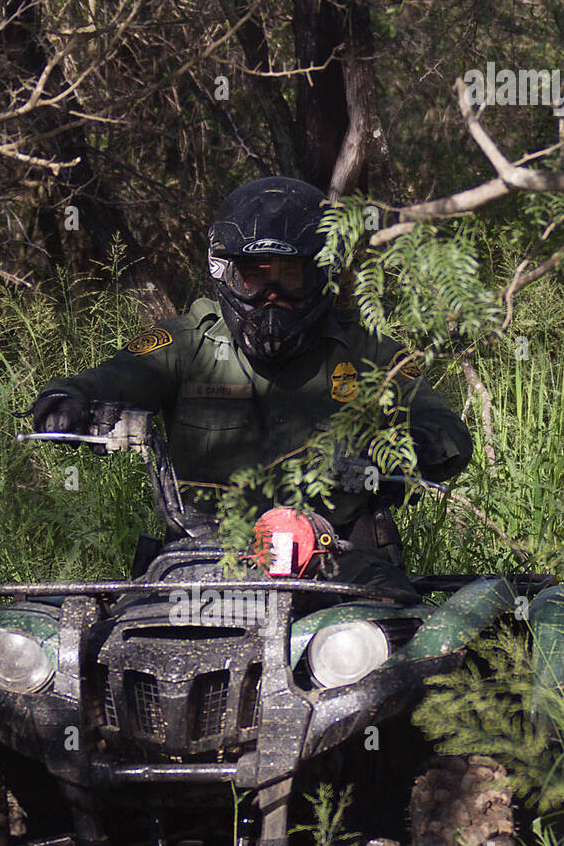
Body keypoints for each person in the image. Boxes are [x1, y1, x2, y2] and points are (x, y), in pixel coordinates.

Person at [28, 176, 472, 598]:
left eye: (290, 275)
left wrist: (399, 453)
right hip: (201, 560)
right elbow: (114, 377)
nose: (271, 295)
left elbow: (445, 430)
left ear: (321, 274)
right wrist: (70, 402)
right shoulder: (187, 344)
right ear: (226, 274)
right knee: (124, 643)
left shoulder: (368, 352)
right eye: (256, 276)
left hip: (340, 563)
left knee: (382, 650)